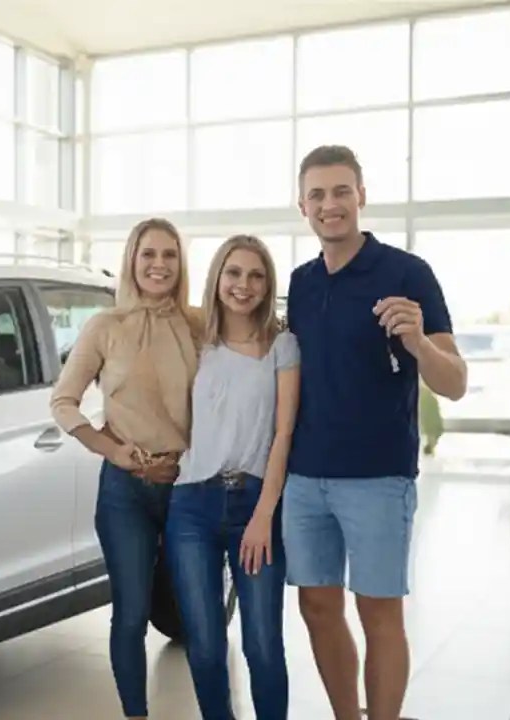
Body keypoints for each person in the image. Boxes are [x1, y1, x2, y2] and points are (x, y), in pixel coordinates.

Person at [283, 145, 467, 720]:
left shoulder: (408, 273)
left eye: (341, 191)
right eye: (317, 194)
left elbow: (455, 382)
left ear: (362, 196)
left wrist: (419, 343)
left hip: (378, 477)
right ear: (302, 205)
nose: (329, 204)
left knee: (379, 614)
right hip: (305, 476)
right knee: (317, 605)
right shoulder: (302, 281)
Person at [50, 218, 201, 720]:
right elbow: (64, 403)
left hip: (186, 488)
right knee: (132, 614)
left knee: (196, 615)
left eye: (169, 256)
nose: (159, 265)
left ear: (181, 265)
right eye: (148, 254)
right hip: (125, 491)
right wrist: (114, 452)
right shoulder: (105, 327)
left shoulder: (200, 326)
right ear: (132, 262)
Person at [165, 234, 299, 720]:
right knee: (203, 645)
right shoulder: (195, 342)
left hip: (255, 506)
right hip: (191, 506)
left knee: (263, 644)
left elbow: (283, 433)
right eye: (234, 273)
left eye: (256, 275)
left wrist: (265, 513)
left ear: (268, 285)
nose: (244, 285)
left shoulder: (282, 346)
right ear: (217, 277)